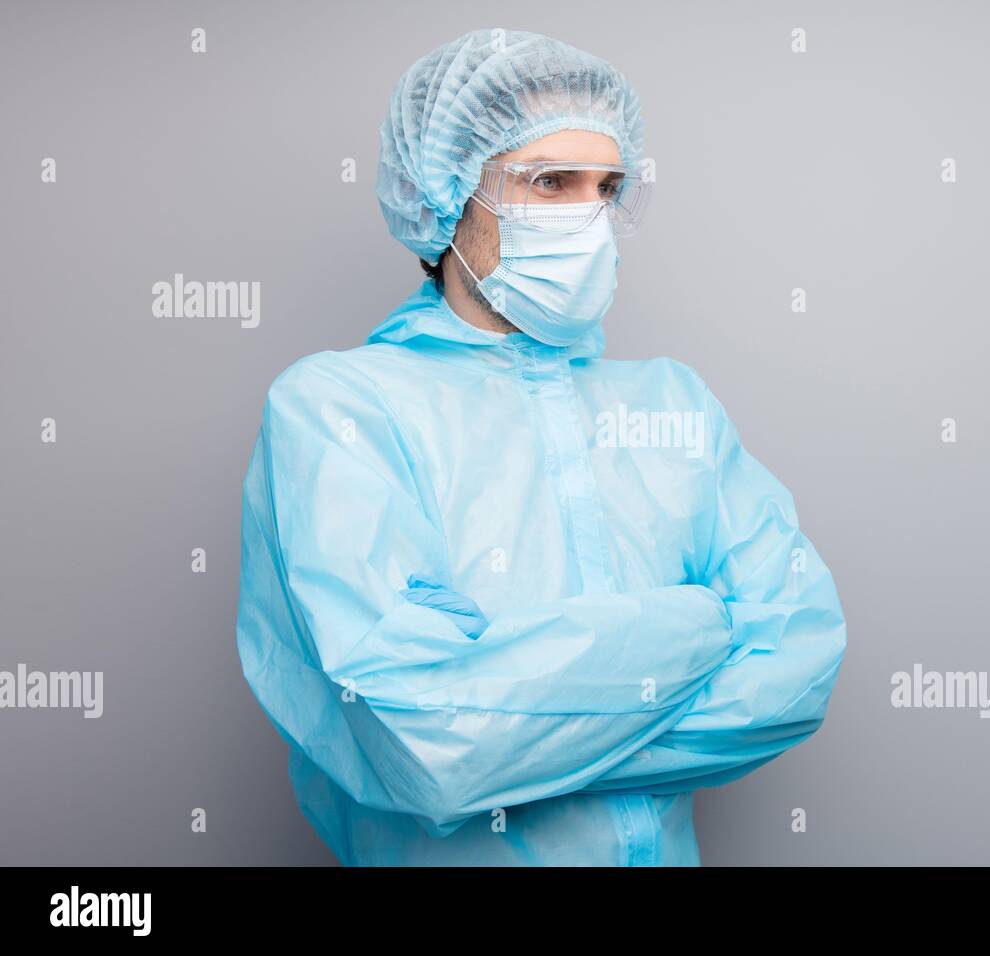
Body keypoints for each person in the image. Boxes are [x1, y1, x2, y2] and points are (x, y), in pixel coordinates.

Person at [235, 27, 847, 867]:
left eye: (607, 187)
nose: (588, 217)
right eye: (550, 183)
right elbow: (427, 745)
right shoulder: (341, 408)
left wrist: (520, 720)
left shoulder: (673, 405)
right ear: (446, 194)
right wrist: (699, 628)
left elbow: (796, 672)